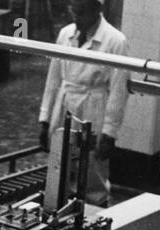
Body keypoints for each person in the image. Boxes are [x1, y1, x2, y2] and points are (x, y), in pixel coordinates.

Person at [38, 1, 129, 168]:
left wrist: (109, 134)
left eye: (82, 13)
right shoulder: (65, 34)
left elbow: (118, 91)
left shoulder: (116, 41)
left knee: (91, 171)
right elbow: (53, 79)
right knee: (59, 168)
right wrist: (45, 119)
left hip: (93, 108)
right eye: (74, 12)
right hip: (64, 104)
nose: (77, 18)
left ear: (97, 10)